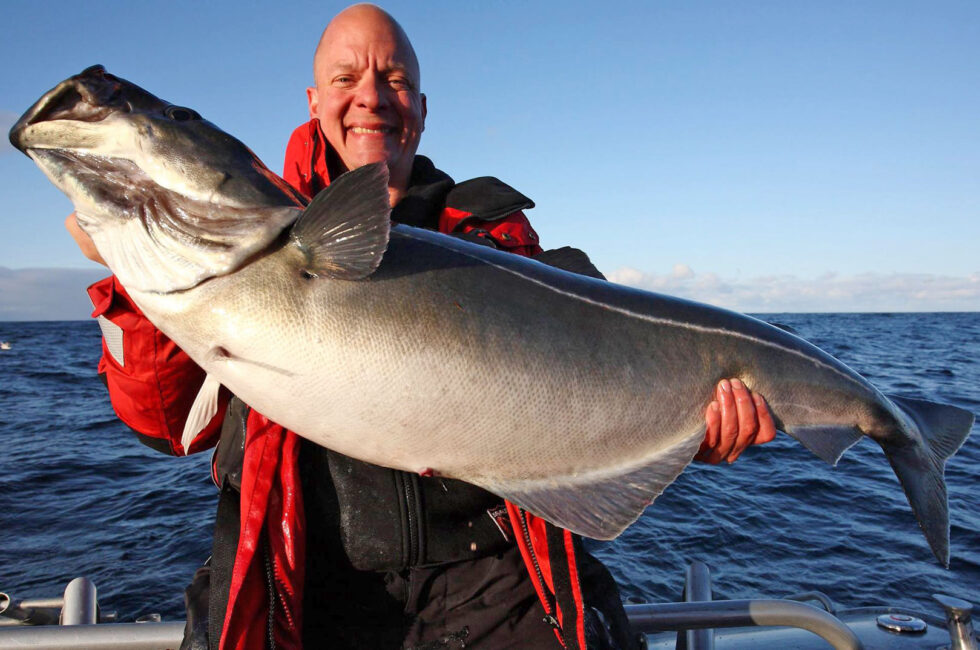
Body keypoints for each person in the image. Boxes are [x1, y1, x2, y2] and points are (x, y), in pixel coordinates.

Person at [67, 5, 776, 649]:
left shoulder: (497, 242)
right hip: (304, 585)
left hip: (501, 582)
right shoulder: (242, 242)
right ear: (314, 103)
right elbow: (163, 422)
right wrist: (131, 277)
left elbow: (584, 383)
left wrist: (683, 427)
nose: (371, 96)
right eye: (346, 77)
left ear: (423, 107)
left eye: (394, 78)